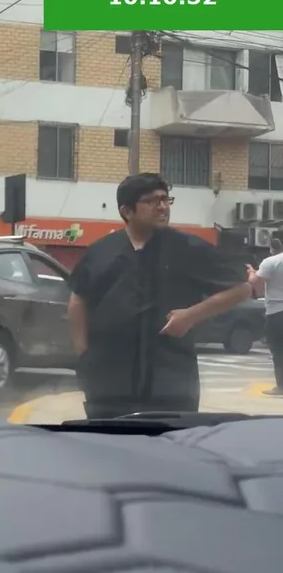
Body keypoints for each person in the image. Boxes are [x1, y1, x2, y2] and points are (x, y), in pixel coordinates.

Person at [67, 174, 251, 418]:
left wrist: (191, 315)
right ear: (127, 211)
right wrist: (83, 355)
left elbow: (241, 289)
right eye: (151, 201)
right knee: (108, 438)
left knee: (169, 438)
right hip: (109, 377)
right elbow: (78, 300)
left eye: (165, 199)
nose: (162, 207)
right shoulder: (101, 251)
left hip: (170, 376)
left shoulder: (188, 248)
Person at [248, 237, 283, 396]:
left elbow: (254, 282)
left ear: (272, 249)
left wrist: (251, 272)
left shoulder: (270, 262)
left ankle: (281, 386)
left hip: (277, 312)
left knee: (278, 350)